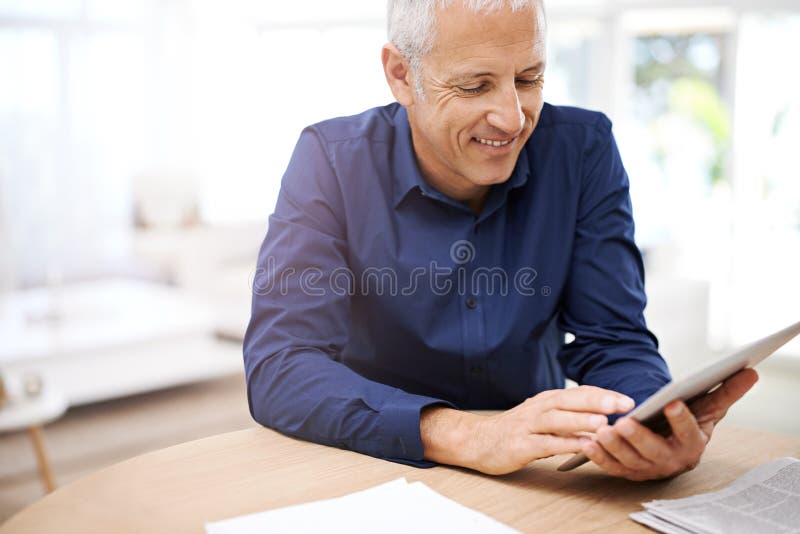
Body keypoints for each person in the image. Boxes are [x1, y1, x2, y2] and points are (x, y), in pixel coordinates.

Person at [243, 0, 758, 480]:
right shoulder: (330, 160)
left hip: (532, 475)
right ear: (402, 75)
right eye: (474, 86)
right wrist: (466, 433)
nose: (513, 119)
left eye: (529, 77)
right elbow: (280, 367)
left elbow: (614, 339)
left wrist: (651, 422)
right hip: (376, 464)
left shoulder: (583, 151)